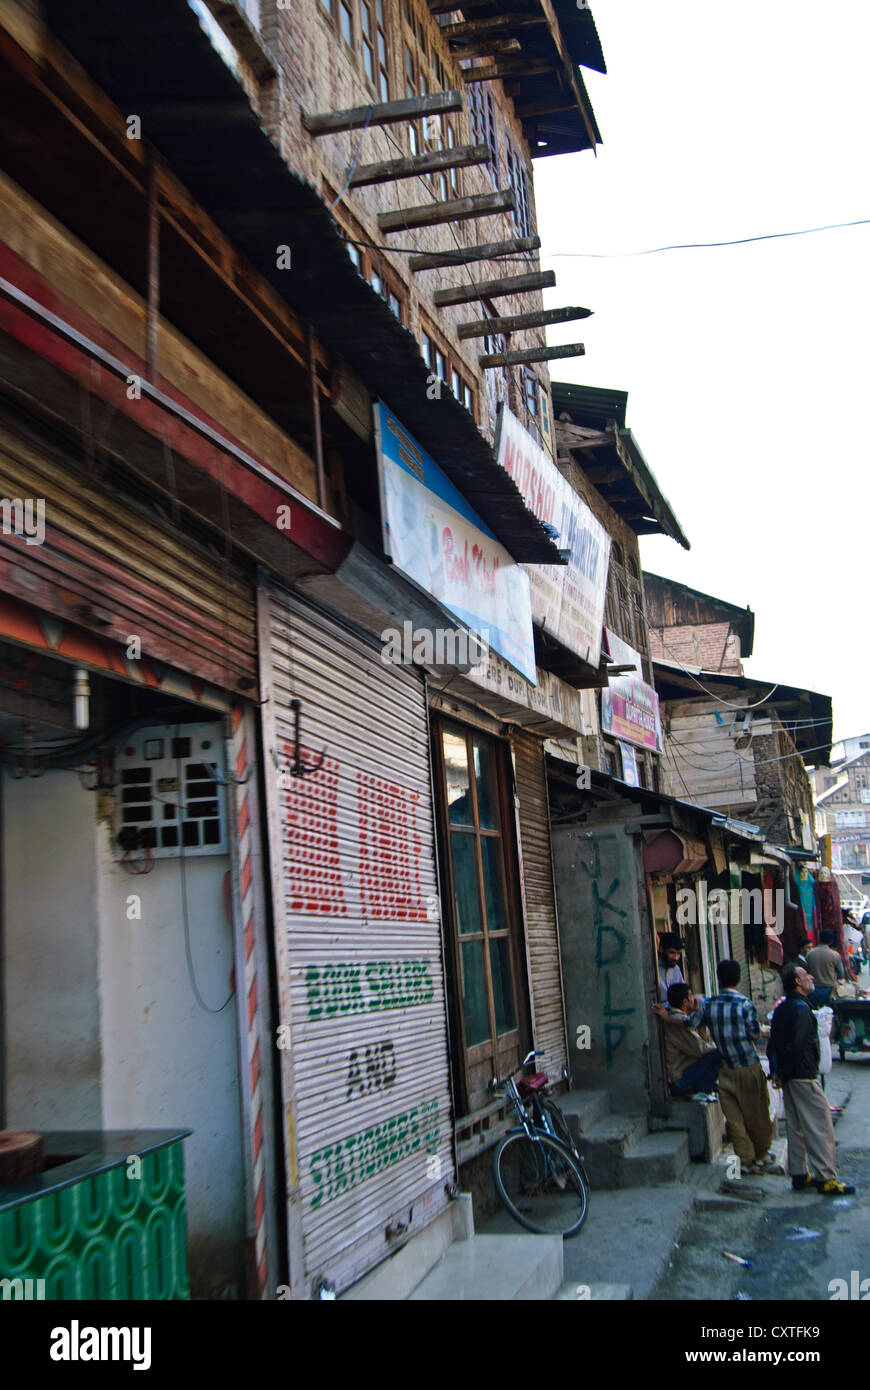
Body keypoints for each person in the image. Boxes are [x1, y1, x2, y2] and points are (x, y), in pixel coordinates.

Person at [654, 959, 774, 1175]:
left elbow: (689, 1023)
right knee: (757, 1113)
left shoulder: (709, 1005)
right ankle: (761, 1154)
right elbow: (755, 1033)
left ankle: (747, 1161)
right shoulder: (744, 1004)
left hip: (726, 1070)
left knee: (735, 1119)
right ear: (738, 979)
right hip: (747, 1066)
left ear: (718, 978)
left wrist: (665, 1017)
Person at [767, 963, 855, 1195]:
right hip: (802, 1075)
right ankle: (826, 1177)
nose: (811, 977)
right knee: (819, 1126)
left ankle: (799, 1174)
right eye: (806, 975)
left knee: (796, 1126)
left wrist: (778, 1072)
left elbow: (773, 1044)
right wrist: (784, 1072)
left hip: (788, 1076)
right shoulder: (802, 1010)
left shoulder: (783, 1008)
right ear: (797, 982)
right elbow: (797, 1045)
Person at [664, 983, 722, 1100]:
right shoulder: (678, 1021)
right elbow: (701, 1050)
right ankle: (705, 1086)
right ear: (685, 1002)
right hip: (681, 1080)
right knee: (720, 1053)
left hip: (686, 1075)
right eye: (691, 996)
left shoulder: (682, 1019)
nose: (694, 999)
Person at [805, 930, 845, 1007]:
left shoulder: (809, 954)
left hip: (813, 989)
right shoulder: (835, 955)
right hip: (830, 990)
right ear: (831, 941)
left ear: (819, 939)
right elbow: (841, 973)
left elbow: (807, 971)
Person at [657, 933, 685, 1004]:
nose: (676, 958)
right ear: (661, 949)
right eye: (672, 953)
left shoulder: (676, 969)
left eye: (678, 953)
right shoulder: (652, 968)